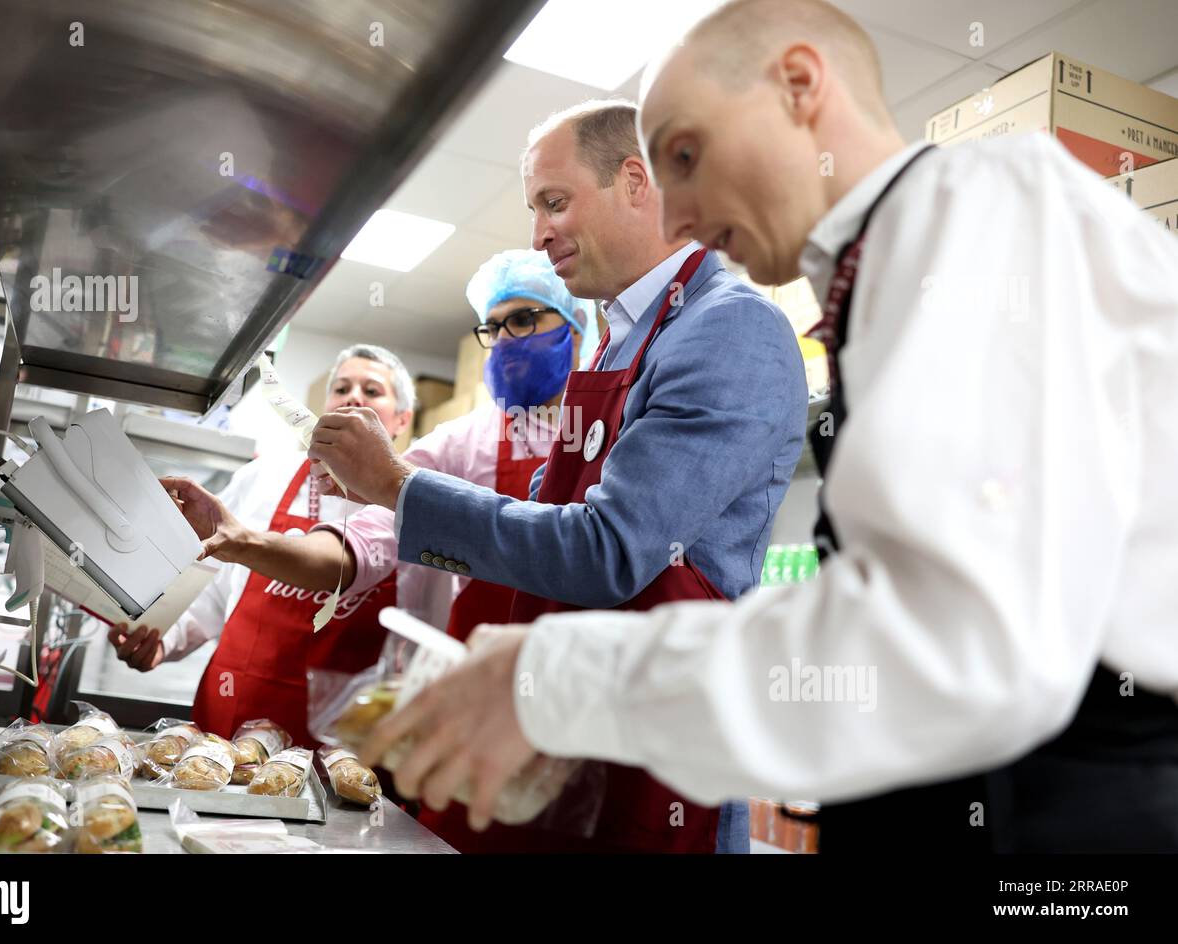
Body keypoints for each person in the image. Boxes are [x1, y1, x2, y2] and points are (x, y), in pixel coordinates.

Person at [354, 0, 1178, 853]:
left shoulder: (989, 214)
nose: (675, 219)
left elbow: (952, 649)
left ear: (800, 86)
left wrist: (553, 678)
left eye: (684, 154)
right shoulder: (890, 267)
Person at [308, 99, 809, 853]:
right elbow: (543, 519)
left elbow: (607, 551)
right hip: (576, 729)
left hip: (658, 756)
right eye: (534, 208)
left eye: (555, 201)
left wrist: (395, 486)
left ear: (636, 181)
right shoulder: (617, 341)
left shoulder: (730, 328)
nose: (539, 234)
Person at [162, 249, 598, 642]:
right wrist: (242, 541)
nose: (504, 340)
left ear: (576, 332)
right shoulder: (462, 443)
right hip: (484, 683)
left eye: (523, 321)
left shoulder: (618, 425)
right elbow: (363, 543)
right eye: (493, 327)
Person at [107, 343, 414, 749]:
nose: (353, 396)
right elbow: (210, 588)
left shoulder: (409, 505)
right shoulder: (266, 477)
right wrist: (164, 637)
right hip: (232, 722)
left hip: (345, 741)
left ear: (400, 420)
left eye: (372, 392)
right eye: (341, 389)